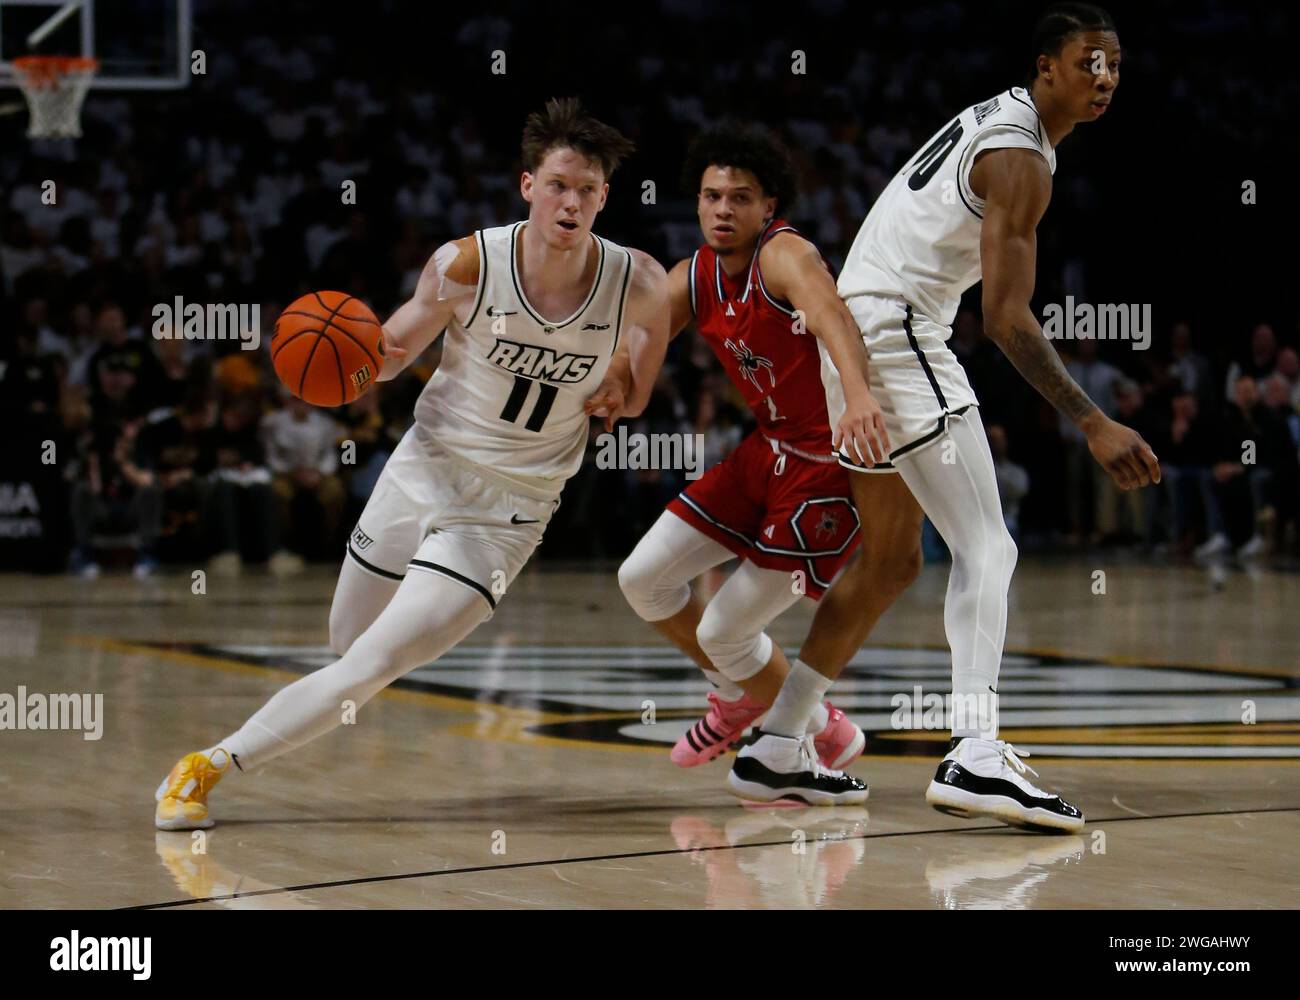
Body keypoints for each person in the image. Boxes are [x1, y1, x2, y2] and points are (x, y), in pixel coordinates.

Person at [154, 97, 670, 830]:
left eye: (587, 189)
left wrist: (622, 375)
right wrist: (355, 359)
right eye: (558, 184)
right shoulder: (467, 262)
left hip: (505, 512)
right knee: (347, 651)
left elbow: (640, 387)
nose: (572, 201)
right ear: (528, 186)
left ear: (605, 199)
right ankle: (251, 741)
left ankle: (204, 768)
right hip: (420, 468)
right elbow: (394, 349)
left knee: (366, 671)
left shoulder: (640, 281)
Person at [817, 2, 1159, 831]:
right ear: (1047, 66)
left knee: (895, 558)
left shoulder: (1007, 127)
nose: (1104, 76)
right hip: (893, 331)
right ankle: (973, 754)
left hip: (861, 333)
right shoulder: (1020, 161)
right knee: (987, 546)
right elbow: (1006, 318)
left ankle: (786, 732)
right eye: (1088, 61)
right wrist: (1092, 419)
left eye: (1114, 62)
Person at [616, 127, 889, 805]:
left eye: (740, 197)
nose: (722, 209)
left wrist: (858, 397)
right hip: (764, 452)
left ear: (769, 205)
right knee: (641, 580)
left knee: (721, 629)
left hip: (828, 468)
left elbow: (830, 317)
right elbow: (638, 344)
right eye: (711, 196)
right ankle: (770, 708)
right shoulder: (693, 275)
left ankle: (792, 738)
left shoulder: (786, 254)